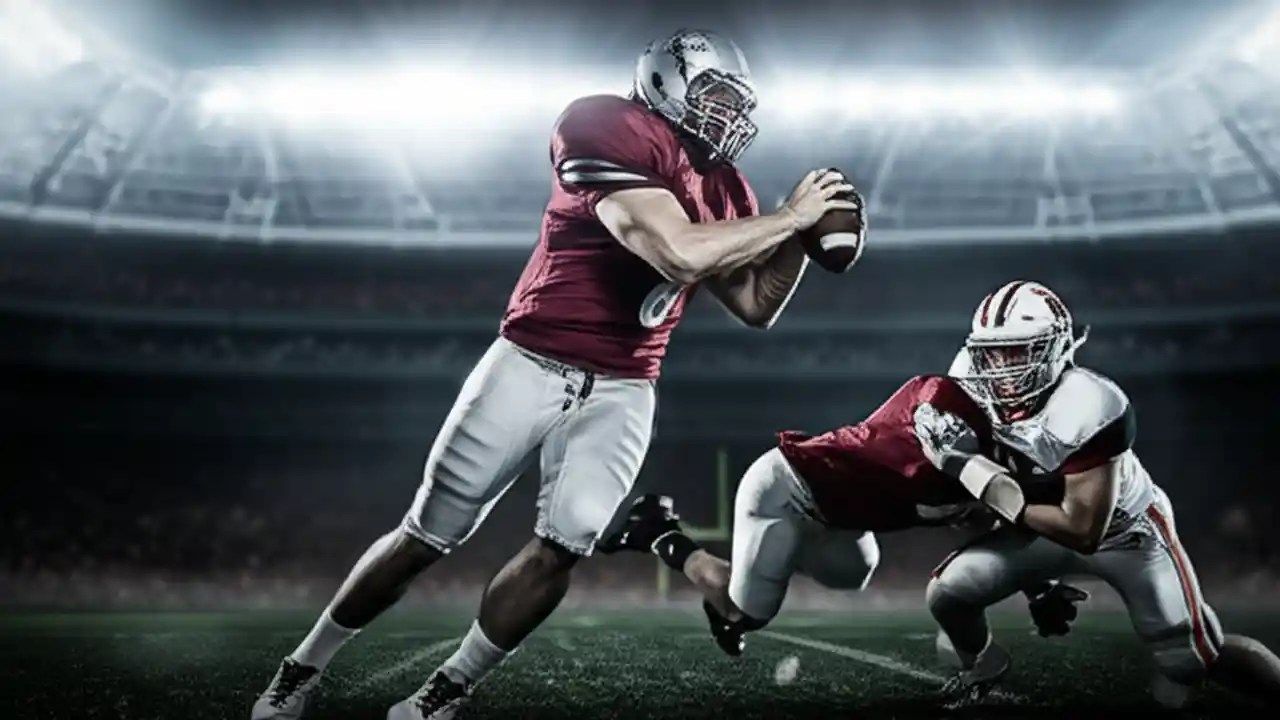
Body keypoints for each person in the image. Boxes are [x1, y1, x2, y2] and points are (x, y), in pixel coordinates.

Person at [251, 28, 861, 720]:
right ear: (664, 84)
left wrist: (802, 241)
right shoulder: (605, 123)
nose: (728, 117)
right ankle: (302, 667)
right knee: (426, 535)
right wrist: (788, 217)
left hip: (628, 384)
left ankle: (446, 690)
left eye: (733, 101)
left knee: (561, 549)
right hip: (532, 361)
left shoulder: (725, 186)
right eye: (713, 96)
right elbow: (677, 254)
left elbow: (755, 305)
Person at [916, 280, 1280, 705]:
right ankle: (982, 665)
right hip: (1036, 528)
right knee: (949, 592)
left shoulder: (1090, 402)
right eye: (991, 352)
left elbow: (1083, 530)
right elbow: (971, 512)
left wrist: (980, 479)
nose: (1001, 367)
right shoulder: (966, 388)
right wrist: (1038, 587)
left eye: (1017, 350)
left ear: (1055, 349)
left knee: (1191, 658)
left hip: (1124, 533)